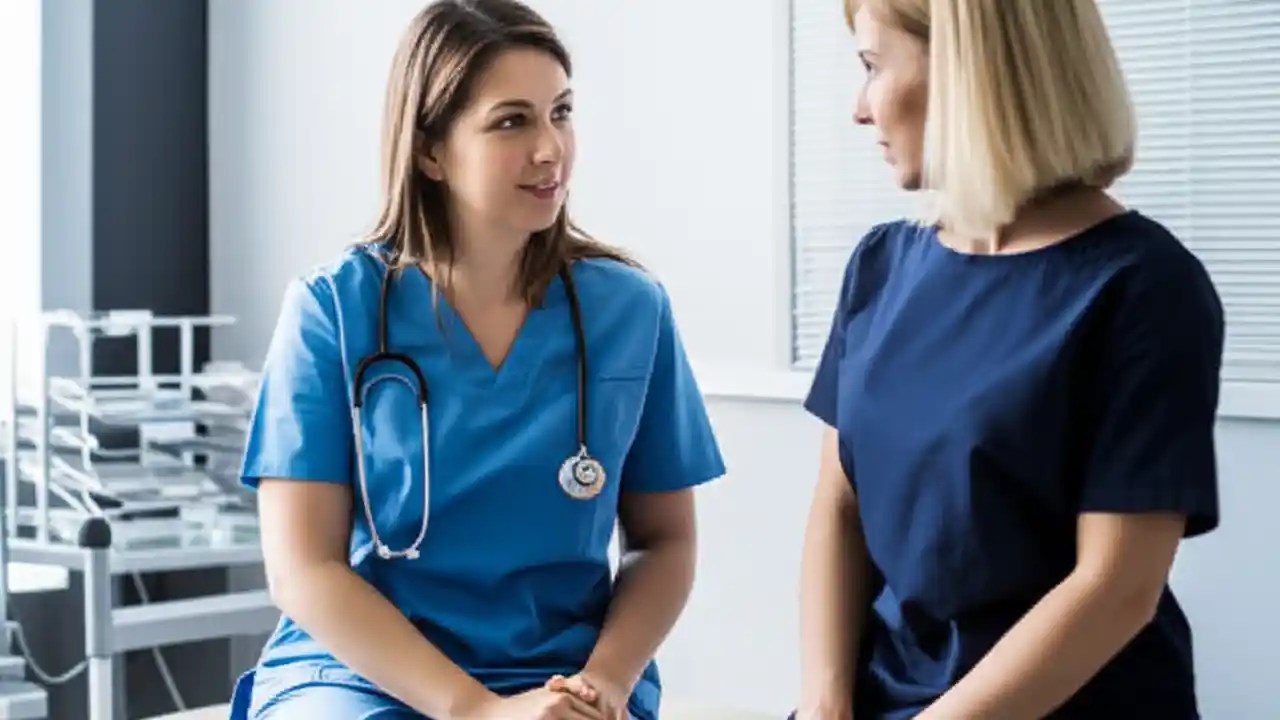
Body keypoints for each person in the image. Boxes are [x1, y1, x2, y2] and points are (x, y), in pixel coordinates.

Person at [228, 1, 725, 718]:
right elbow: (304, 568)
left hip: (564, 671)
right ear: (430, 151)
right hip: (363, 674)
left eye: (561, 113)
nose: (551, 149)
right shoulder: (332, 310)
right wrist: (479, 710)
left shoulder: (629, 310)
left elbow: (664, 540)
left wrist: (604, 683)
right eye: (511, 122)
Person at [794, 1, 1224, 718]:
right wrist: (823, 702)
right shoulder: (880, 265)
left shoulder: (1144, 287)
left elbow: (1117, 588)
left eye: (872, 66)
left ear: (969, 73)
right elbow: (839, 507)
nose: (860, 110)